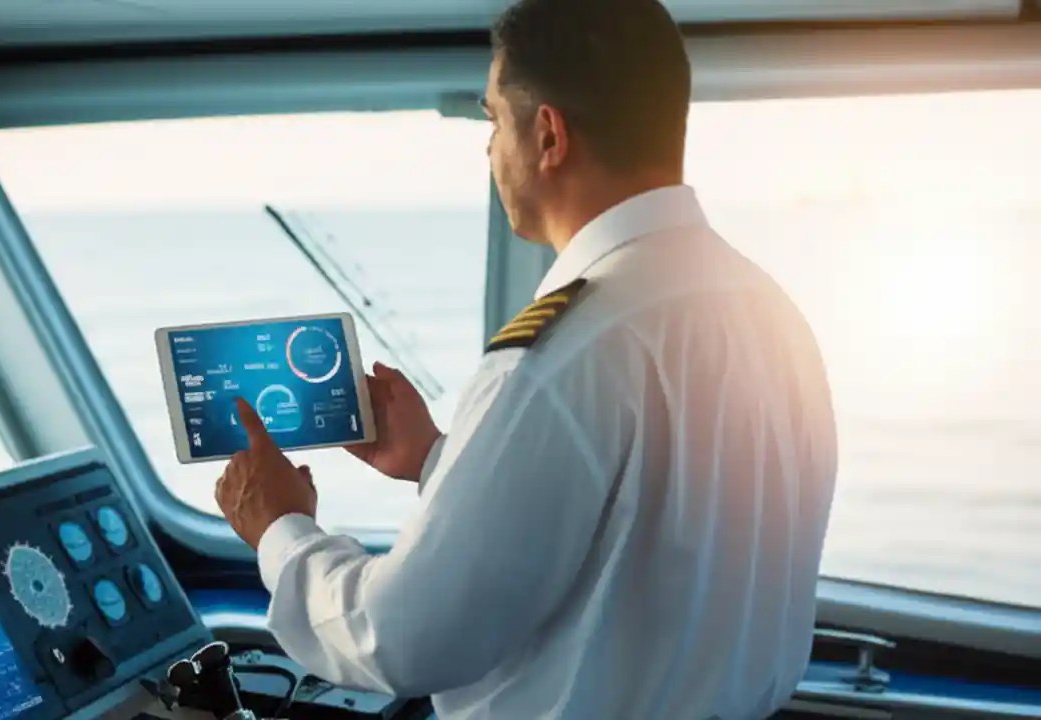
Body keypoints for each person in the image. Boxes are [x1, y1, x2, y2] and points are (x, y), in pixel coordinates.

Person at [213, 0, 838, 717]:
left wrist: (282, 530)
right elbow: (646, 538)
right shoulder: (771, 313)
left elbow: (403, 638)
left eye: (491, 120)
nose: (488, 151)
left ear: (547, 135)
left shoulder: (561, 354)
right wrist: (436, 460)